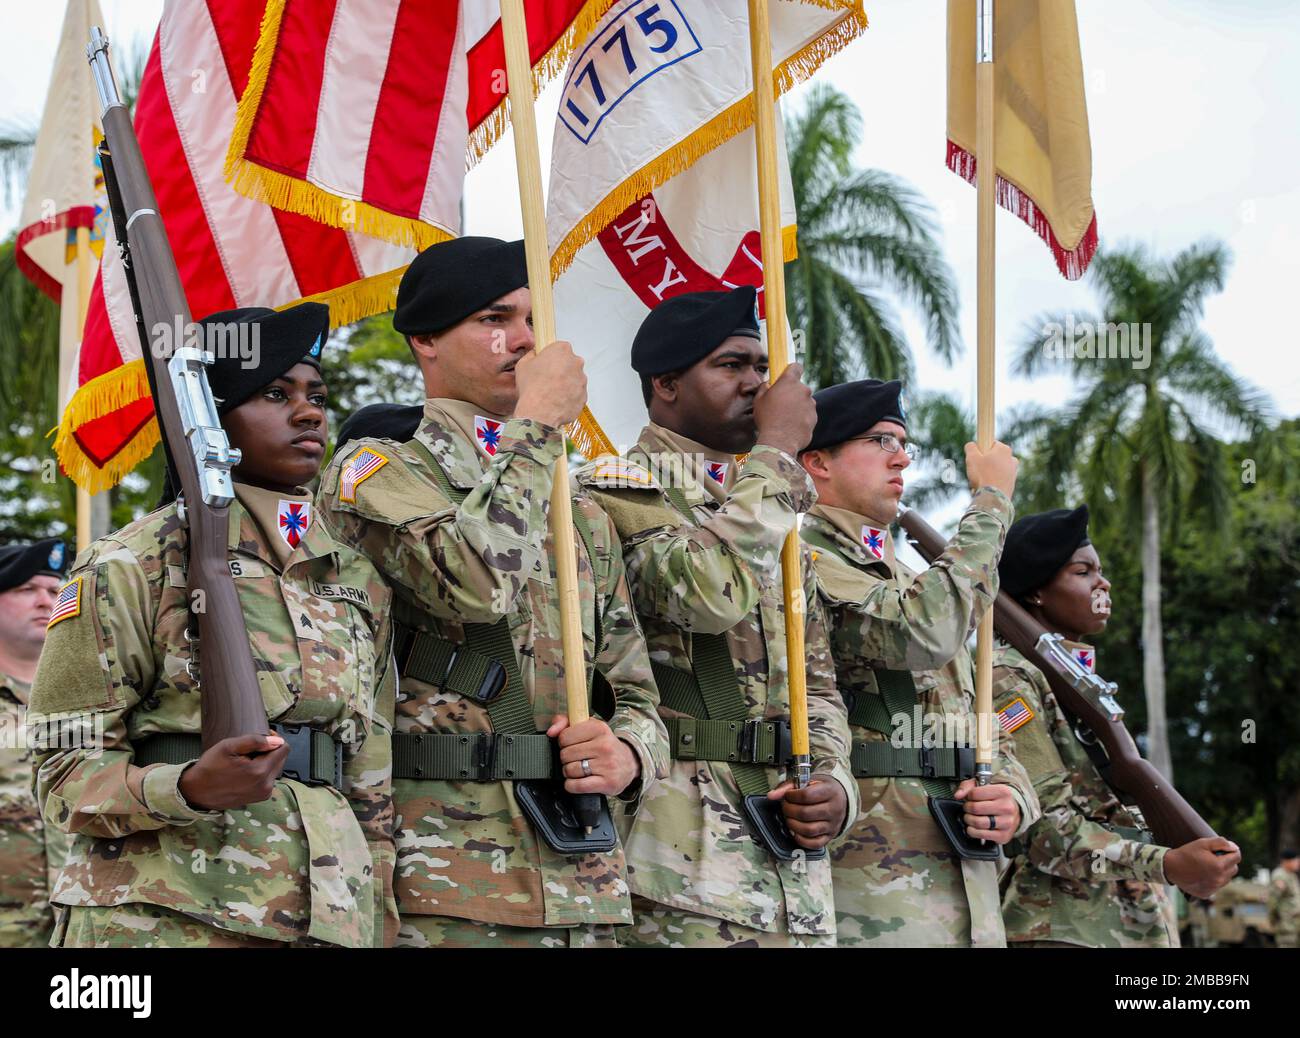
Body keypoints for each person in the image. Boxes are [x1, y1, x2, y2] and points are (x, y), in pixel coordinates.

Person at [317, 237, 667, 948]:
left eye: (535, 320)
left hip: (585, 882)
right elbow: (475, 583)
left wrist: (629, 754)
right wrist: (537, 425)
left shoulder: (580, 508)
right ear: (425, 341)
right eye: (494, 319)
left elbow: (637, 692)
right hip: (443, 879)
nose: (525, 341)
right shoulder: (377, 469)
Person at [29, 303, 397, 948]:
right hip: (164, 916)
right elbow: (62, 775)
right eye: (275, 394)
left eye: (317, 395)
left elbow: (368, 765)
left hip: (330, 913)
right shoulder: (134, 562)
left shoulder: (353, 573)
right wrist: (189, 787)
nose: (309, 413)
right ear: (208, 418)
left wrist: (380, 914)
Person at [575, 287, 857, 947]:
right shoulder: (617, 489)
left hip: (790, 862)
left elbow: (815, 684)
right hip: (680, 860)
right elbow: (704, 596)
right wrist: (780, 449)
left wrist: (835, 786)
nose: (756, 385)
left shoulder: (771, 506)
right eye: (731, 366)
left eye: (761, 368)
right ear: (666, 384)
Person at [797, 378, 1039, 947]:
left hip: (965, 889)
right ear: (817, 462)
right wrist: (991, 503)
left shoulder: (913, 578)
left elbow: (989, 726)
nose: (902, 458)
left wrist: (1012, 796)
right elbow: (925, 631)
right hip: (873, 887)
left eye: (904, 443)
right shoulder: (803, 561)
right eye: (880, 440)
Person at [993, 505, 1240, 947]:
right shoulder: (1008, 678)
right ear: (1036, 592)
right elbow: (1044, 830)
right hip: (1062, 929)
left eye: (1100, 571)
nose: (1102, 584)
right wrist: (1166, 864)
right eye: (1083, 572)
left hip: (1124, 924)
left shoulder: (1080, 682)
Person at [0, 538, 69, 946]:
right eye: (27, 590)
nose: (46, 601)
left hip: (77, 928)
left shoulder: (91, 696)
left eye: (54, 590)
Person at [1268, 851, 1299, 947]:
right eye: (1296, 861)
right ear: (1286, 861)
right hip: (1286, 924)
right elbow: (1273, 900)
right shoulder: (1280, 875)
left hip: (1295, 923)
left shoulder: (1291, 875)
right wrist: (1274, 919)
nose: (1298, 864)